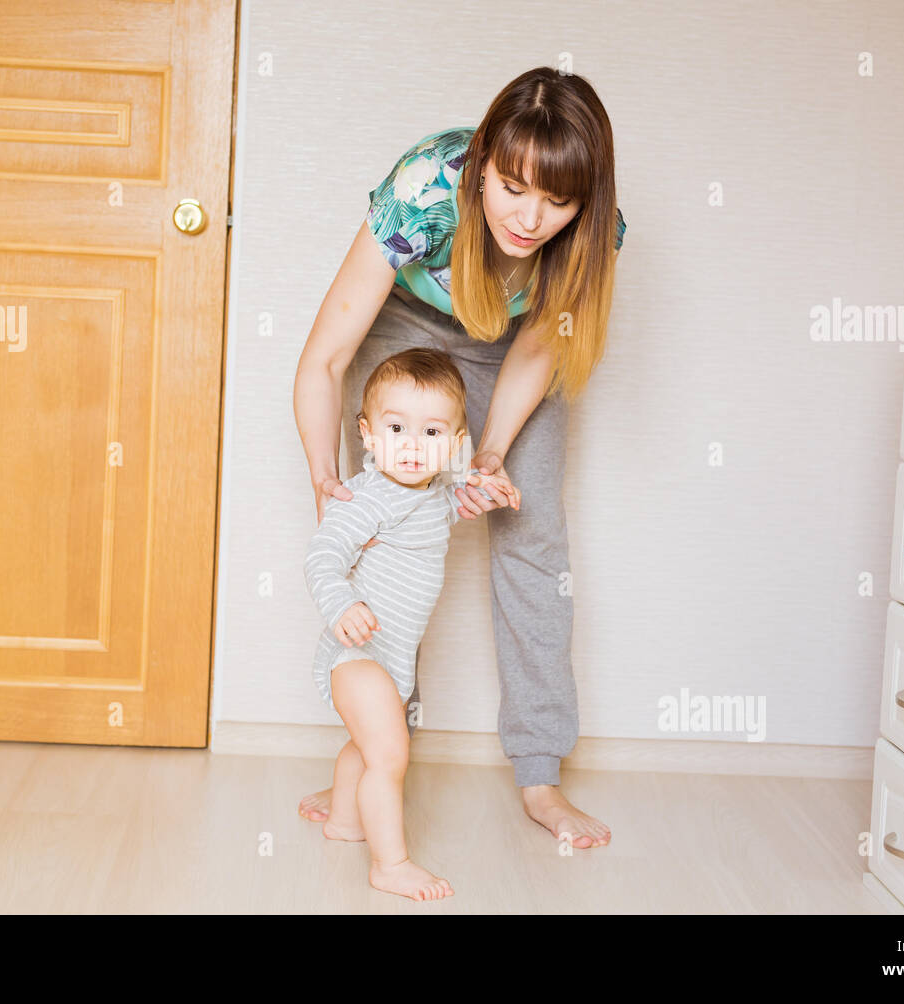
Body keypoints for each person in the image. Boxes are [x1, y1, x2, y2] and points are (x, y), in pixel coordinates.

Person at [293, 65, 623, 851]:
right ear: (482, 164)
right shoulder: (425, 189)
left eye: (557, 200)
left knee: (532, 532)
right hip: (408, 327)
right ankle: (376, 757)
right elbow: (325, 357)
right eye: (512, 188)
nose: (531, 217)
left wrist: (494, 453)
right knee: (389, 528)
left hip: (513, 344)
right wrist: (328, 488)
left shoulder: (597, 232)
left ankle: (540, 776)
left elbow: (542, 342)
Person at [304, 347, 518, 900]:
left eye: (431, 432)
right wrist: (341, 606)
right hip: (356, 653)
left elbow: (452, 506)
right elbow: (322, 557)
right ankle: (390, 864)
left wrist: (488, 492)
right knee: (390, 753)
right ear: (368, 433)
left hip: (392, 656)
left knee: (365, 746)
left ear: (453, 444)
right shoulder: (364, 496)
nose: (411, 445)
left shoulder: (431, 494)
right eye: (396, 427)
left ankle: (346, 821)